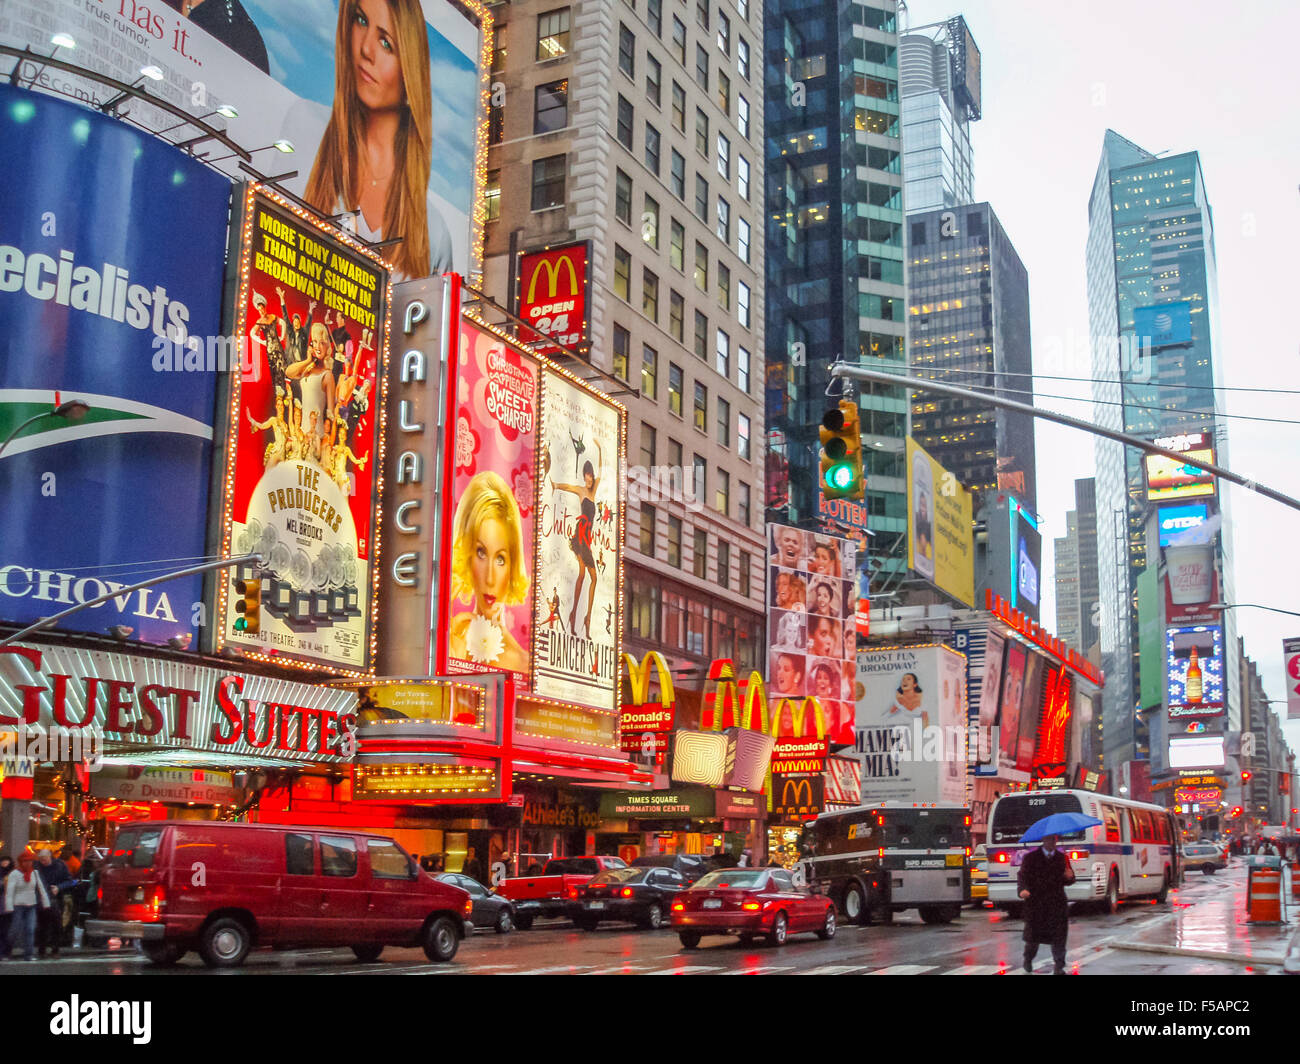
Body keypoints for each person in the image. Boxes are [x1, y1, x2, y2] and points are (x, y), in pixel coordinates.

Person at [304, 0, 453, 280]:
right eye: (360, 20)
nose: (366, 49)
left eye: (387, 44)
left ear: (410, 73)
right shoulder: (303, 128)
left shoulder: (433, 231)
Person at [448, 472, 531, 672]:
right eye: (481, 553)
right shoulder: (452, 637)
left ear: (513, 563)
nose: (490, 578)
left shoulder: (522, 662)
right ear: (465, 553)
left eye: (501, 559)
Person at [545, 440, 603, 638]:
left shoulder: (593, 492)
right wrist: (555, 485)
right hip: (580, 535)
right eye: (586, 476)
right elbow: (568, 487)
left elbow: (602, 473)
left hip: (586, 537)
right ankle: (582, 618)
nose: (588, 479)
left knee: (585, 576)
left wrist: (601, 450)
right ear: (584, 476)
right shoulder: (581, 491)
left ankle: (577, 616)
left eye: (590, 476)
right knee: (590, 576)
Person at [1017, 832, 1076, 975]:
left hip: (1057, 903)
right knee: (1033, 938)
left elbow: (1068, 880)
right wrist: (1022, 890)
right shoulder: (1030, 858)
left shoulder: (1062, 858)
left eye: (1054, 839)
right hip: (1036, 904)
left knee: (1059, 937)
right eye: (1049, 839)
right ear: (1043, 840)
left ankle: (1059, 966)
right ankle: (1028, 959)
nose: (1052, 842)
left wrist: (1070, 877)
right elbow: (1022, 876)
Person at [5, 853, 51, 962]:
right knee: (15, 930)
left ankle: (28, 954)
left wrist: (46, 903)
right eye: (26, 861)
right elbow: (10, 892)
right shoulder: (14, 874)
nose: (28, 863)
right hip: (18, 905)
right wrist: (9, 906)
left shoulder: (35, 873)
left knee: (30, 929)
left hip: (31, 905)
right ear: (21, 862)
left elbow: (41, 889)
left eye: (30, 861)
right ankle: (7, 951)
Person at [35, 848, 74, 957]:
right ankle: (41, 949)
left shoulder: (60, 865)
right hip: (41, 899)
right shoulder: (37, 866)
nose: (43, 862)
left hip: (56, 898)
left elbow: (69, 880)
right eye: (41, 859)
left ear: (50, 856)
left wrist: (59, 887)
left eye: (45, 859)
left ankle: (55, 949)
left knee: (57, 924)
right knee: (42, 925)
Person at [0, 855, 13, 960]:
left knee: (6, 930)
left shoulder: (13, 874)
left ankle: (6, 952)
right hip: (4, 905)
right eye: (3, 861)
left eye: (6, 861)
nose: (4, 863)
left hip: (8, 906)